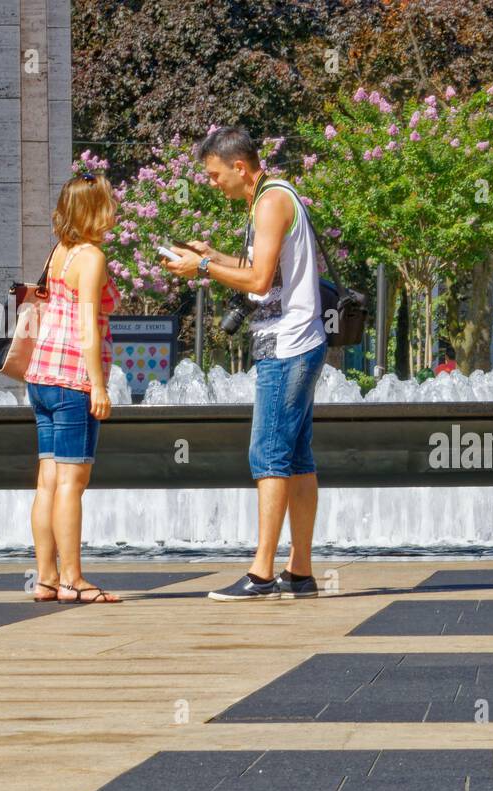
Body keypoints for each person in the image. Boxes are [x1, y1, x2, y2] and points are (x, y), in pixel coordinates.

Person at [163, 127, 326, 601]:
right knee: (296, 457)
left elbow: (257, 281)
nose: (212, 184)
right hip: (298, 341)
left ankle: (261, 574)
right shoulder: (272, 200)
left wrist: (201, 270)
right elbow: (265, 271)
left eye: (215, 175)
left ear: (240, 166)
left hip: (287, 344)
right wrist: (213, 256)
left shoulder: (272, 201)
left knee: (269, 454)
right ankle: (300, 572)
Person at [24, 172, 122, 604]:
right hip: (71, 379)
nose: (114, 212)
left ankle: (46, 578)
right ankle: (73, 580)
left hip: (41, 376)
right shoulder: (91, 257)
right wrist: (97, 386)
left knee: (47, 482)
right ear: (92, 210)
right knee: (71, 484)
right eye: (108, 204)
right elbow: (87, 328)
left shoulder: (58, 252)